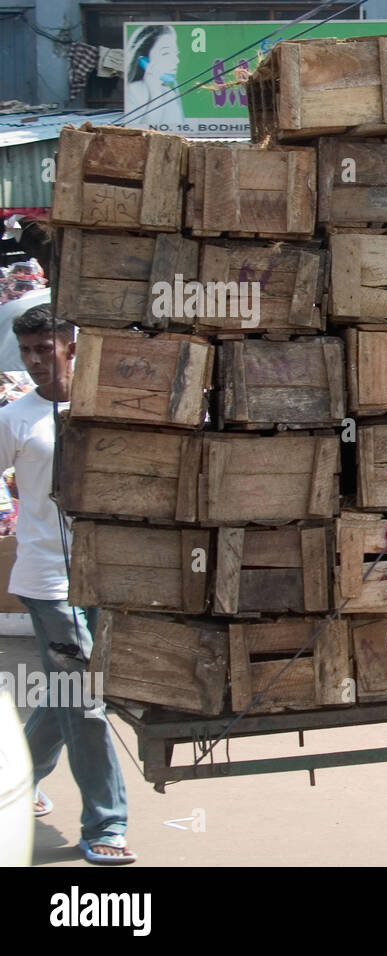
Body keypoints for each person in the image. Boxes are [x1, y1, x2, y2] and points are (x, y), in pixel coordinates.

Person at [0, 306, 134, 863]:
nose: (34, 362)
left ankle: (14, 782)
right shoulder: (16, 418)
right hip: (45, 579)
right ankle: (106, 825)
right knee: (82, 698)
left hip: (107, 575)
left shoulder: (104, 405)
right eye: (26, 351)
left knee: (65, 689)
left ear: (71, 347)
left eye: (43, 349)